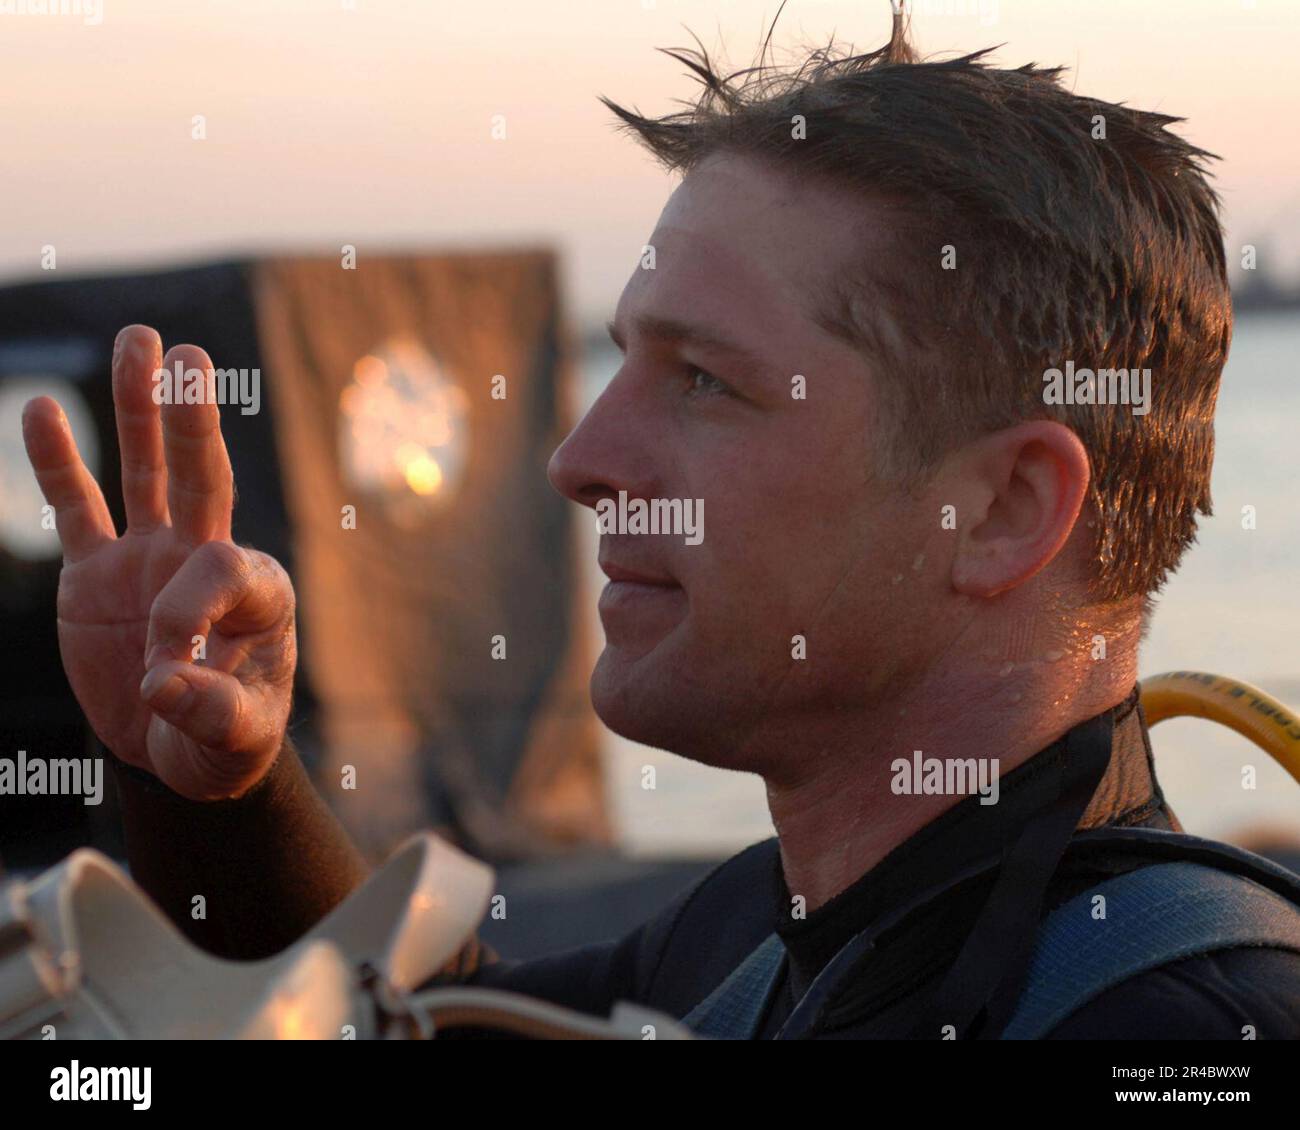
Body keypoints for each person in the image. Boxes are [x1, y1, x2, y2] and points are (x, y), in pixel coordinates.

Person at [20, 15, 1300, 1038]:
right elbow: (439, 1025)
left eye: (703, 381)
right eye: (623, 359)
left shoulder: (1181, 1019)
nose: (579, 461)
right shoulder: (760, 926)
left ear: (1004, 509)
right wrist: (227, 781)